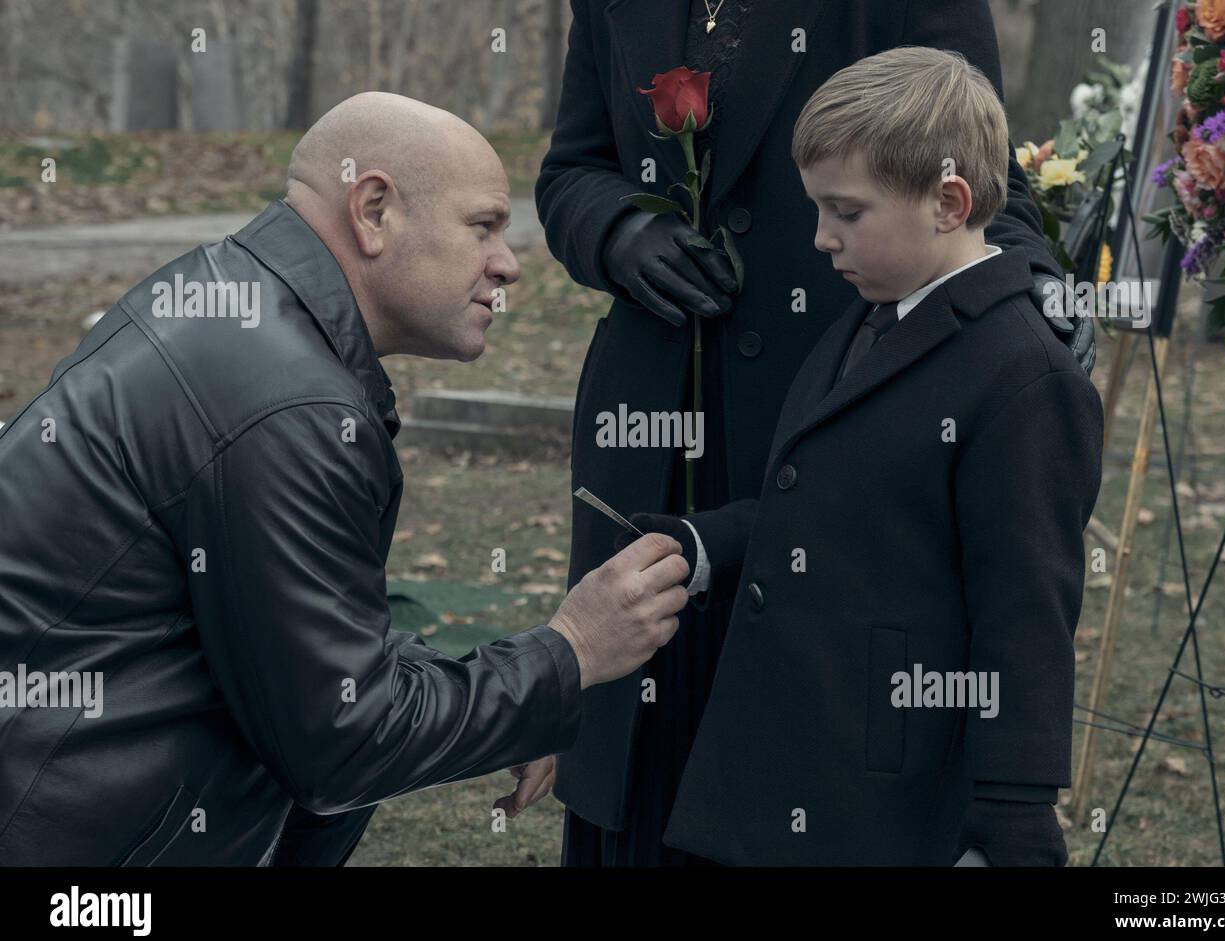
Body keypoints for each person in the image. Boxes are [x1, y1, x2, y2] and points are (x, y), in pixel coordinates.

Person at [0, 92, 690, 867]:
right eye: (484, 226)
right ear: (374, 209)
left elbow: (282, 629)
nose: (510, 264)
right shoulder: (284, 402)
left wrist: (500, 691)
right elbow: (341, 743)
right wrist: (569, 652)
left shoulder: (237, 308)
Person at [537, 0, 1097, 867]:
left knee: (791, 723)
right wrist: (619, 230)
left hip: (831, 385)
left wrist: (1028, 286)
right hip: (653, 414)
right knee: (641, 701)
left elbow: (971, 155)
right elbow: (573, 168)